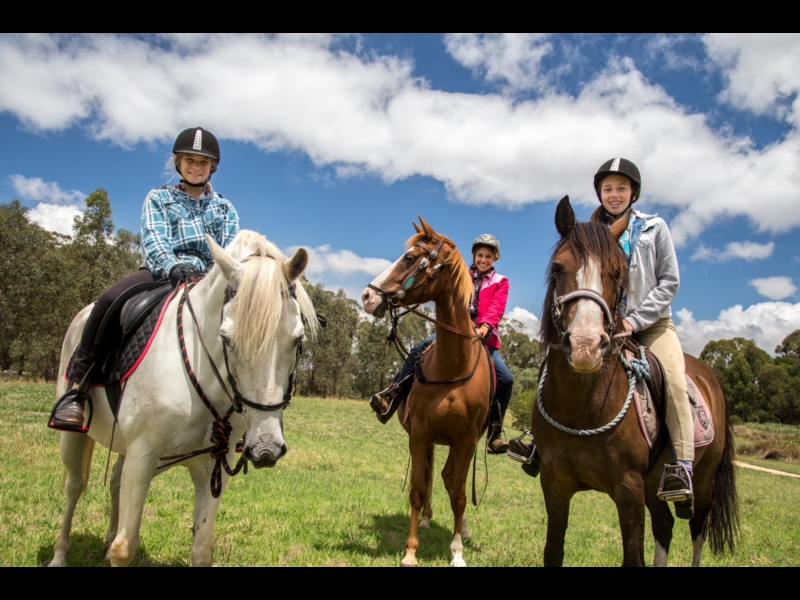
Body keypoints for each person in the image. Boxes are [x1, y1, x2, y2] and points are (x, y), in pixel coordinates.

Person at [510, 157, 696, 516]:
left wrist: (634, 321)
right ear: (600, 192)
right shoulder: (587, 231)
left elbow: (669, 282)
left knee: (674, 380)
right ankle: (539, 441)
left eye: (621, 188)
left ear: (633, 193)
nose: (614, 195)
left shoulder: (655, 228)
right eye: (607, 188)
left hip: (650, 324)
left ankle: (682, 467)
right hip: (601, 322)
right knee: (554, 360)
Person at [49, 127, 239, 433]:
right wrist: (172, 265)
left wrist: (212, 277)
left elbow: (228, 251)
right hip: (160, 273)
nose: (196, 166)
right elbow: (154, 239)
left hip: (207, 282)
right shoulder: (159, 198)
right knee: (110, 300)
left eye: (203, 162)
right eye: (190, 160)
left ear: (212, 168)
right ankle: (77, 388)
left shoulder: (224, 208)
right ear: (178, 162)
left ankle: (236, 413)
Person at [369, 234, 515, 453]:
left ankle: (494, 430)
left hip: (484, 338)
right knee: (419, 348)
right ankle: (393, 393)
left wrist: (485, 326)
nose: (483, 259)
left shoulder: (500, 282)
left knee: (506, 379)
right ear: (473, 256)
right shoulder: (461, 274)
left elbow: (497, 307)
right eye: (480, 255)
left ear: (495, 258)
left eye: (488, 256)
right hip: (454, 331)